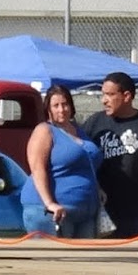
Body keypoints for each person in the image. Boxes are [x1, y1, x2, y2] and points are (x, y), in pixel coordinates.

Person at [80, 72, 138, 238]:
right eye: (103, 95)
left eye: (110, 94)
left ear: (127, 96)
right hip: (102, 211)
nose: (104, 100)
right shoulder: (95, 123)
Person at [20, 85, 104, 238]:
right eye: (56, 105)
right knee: (54, 260)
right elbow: (37, 168)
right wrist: (49, 203)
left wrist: (97, 189)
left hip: (85, 212)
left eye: (65, 104)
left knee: (87, 259)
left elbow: (86, 165)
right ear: (48, 109)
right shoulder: (44, 130)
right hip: (51, 213)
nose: (61, 109)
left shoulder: (80, 132)